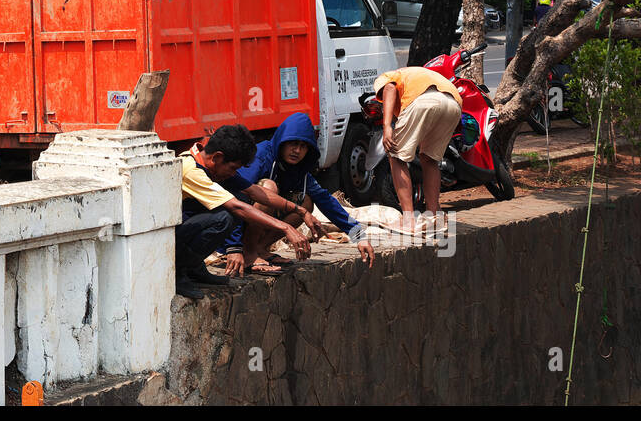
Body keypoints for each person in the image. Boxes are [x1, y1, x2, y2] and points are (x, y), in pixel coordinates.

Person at [219, 112, 375, 274]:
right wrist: (233, 247)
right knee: (269, 188)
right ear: (281, 142)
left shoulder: (299, 171)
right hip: (230, 227)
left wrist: (359, 236)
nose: (297, 151)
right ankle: (249, 252)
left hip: (254, 224)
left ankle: (260, 248)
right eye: (292, 144)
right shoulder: (260, 156)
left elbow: (326, 201)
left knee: (305, 202)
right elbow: (235, 199)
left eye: (303, 146)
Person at [175, 124, 313, 299]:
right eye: (232, 168)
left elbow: (253, 190)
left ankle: (194, 268)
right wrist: (286, 228)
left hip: (186, 228)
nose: (233, 173)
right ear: (217, 157)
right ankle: (179, 271)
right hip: (172, 237)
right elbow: (237, 207)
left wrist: (299, 210)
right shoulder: (191, 171)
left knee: (234, 204)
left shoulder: (210, 164)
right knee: (225, 217)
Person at [374, 65, 464, 230]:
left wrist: (387, 126)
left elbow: (389, 87)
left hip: (423, 100)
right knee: (429, 159)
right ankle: (434, 216)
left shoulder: (389, 75)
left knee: (395, 155)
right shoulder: (419, 74)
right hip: (453, 104)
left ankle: (409, 219)